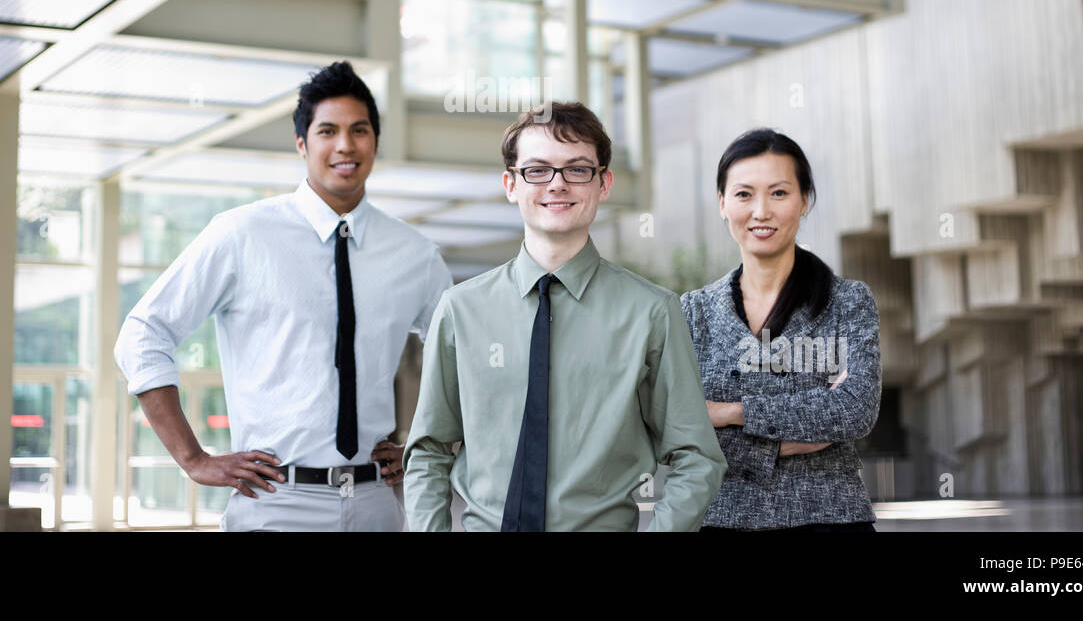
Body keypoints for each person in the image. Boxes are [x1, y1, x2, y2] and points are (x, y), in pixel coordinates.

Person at [115, 61, 453, 531]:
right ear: (302, 143)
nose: (344, 145)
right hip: (275, 503)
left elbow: (464, 358)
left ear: (375, 141)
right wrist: (193, 457)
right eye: (327, 130)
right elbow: (142, 333)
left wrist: (427, 442)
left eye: (359, 130)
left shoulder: (415, 254)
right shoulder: (242, 235)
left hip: (379, 505)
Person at [402, 101, 726, 531]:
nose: (557, 184)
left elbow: (695, 455)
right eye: (537, 170)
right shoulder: (460, 310)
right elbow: (429, 449)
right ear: (510, 184)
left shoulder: (652, 312)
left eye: (577, 170)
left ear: (604, 183)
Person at [680, 127, 881, 532]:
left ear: (804, 200)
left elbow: (854, 411)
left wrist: (730, 413)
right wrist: (806, 427)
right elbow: (679, 428)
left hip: (832, 517)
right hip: (721, 520)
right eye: (743, 194)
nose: (761, 211)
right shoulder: (692, 311)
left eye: (778, 193)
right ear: (722, 203)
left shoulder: (848, 302)